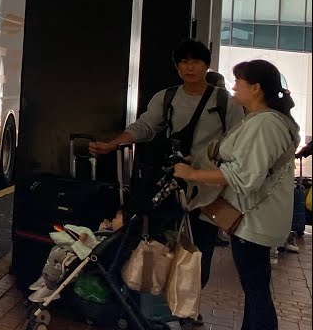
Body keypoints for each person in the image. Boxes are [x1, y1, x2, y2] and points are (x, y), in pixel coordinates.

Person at [89, 39, 242, 297]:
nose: (190, 67)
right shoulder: (167, 97)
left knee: (199, 250)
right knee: (162, 245)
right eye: (184, 62)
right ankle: (159, 303)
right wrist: (114, 144)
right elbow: (145, 126)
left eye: (196, 62)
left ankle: (188, 305)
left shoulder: (226, 102)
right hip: (171, 185)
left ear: (206, 65)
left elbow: (238, 142)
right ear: (177, 66)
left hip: (208, 190)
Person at [172, 59, 300, 330]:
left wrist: (193, 174)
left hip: (254, 220)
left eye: (239, 81)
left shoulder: (265, 124)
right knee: (255, 289)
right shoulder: (263, 120)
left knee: (256, 291)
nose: (233, 86)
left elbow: (245, 177)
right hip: (256, 219)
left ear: (255, 88)